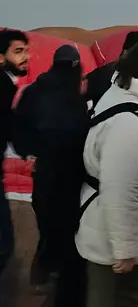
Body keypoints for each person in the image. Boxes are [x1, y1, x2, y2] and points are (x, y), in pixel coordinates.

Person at [76, 40, 138, 307]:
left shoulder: (130, 102)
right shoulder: (130, 122)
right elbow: (118, 189)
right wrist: (124, 249)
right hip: (116, 241)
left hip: (128, 231)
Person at [14, 45, 90, 306]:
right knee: (69, 223)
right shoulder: (78, 92)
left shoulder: (34, 91)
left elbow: (19, 125)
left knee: (48, 218)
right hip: (72, 170)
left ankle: (46, 267)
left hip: (47, 168)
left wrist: (29, 153)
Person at [0, 29, 29, 299]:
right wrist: (28, 152)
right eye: (18, 51)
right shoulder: (3, 85)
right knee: (4, 244)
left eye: (26, 51)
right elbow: (8, 126)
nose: (26, 57)